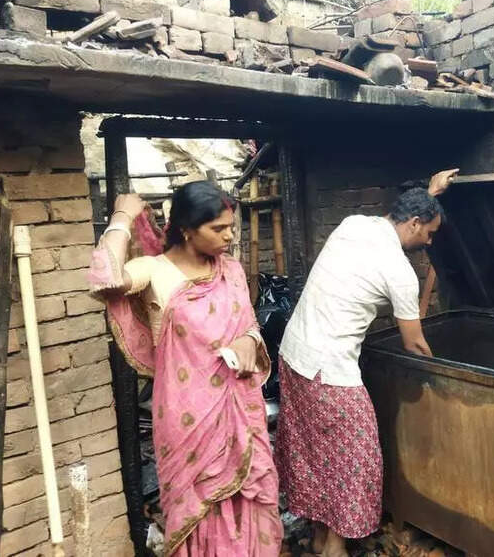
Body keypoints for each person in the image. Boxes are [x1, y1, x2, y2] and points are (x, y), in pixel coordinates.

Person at [88, 181, 283, 557]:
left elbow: (249, 326)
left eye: (231, 226)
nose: (229, 236)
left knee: (248, 493)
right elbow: (106, 279)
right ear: (186, 229)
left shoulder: (231, 270)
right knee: (197, 502)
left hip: (239, 408)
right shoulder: (153, 271)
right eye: (218, 228)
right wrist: (123, 216)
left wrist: (247, 341)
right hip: (187, 418)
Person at [274, 169, 459, 557]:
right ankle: (335, 549)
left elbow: (398, 218)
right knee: (356, 458)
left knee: (314, 452)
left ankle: (321, 535)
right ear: (414, 223)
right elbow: (415, 344)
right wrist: (451, 378)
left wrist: (429, 194)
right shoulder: (400, 273)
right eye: (430, 232)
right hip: (328, 371)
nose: (430, 241)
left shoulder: (354, 224)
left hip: (292, 357)